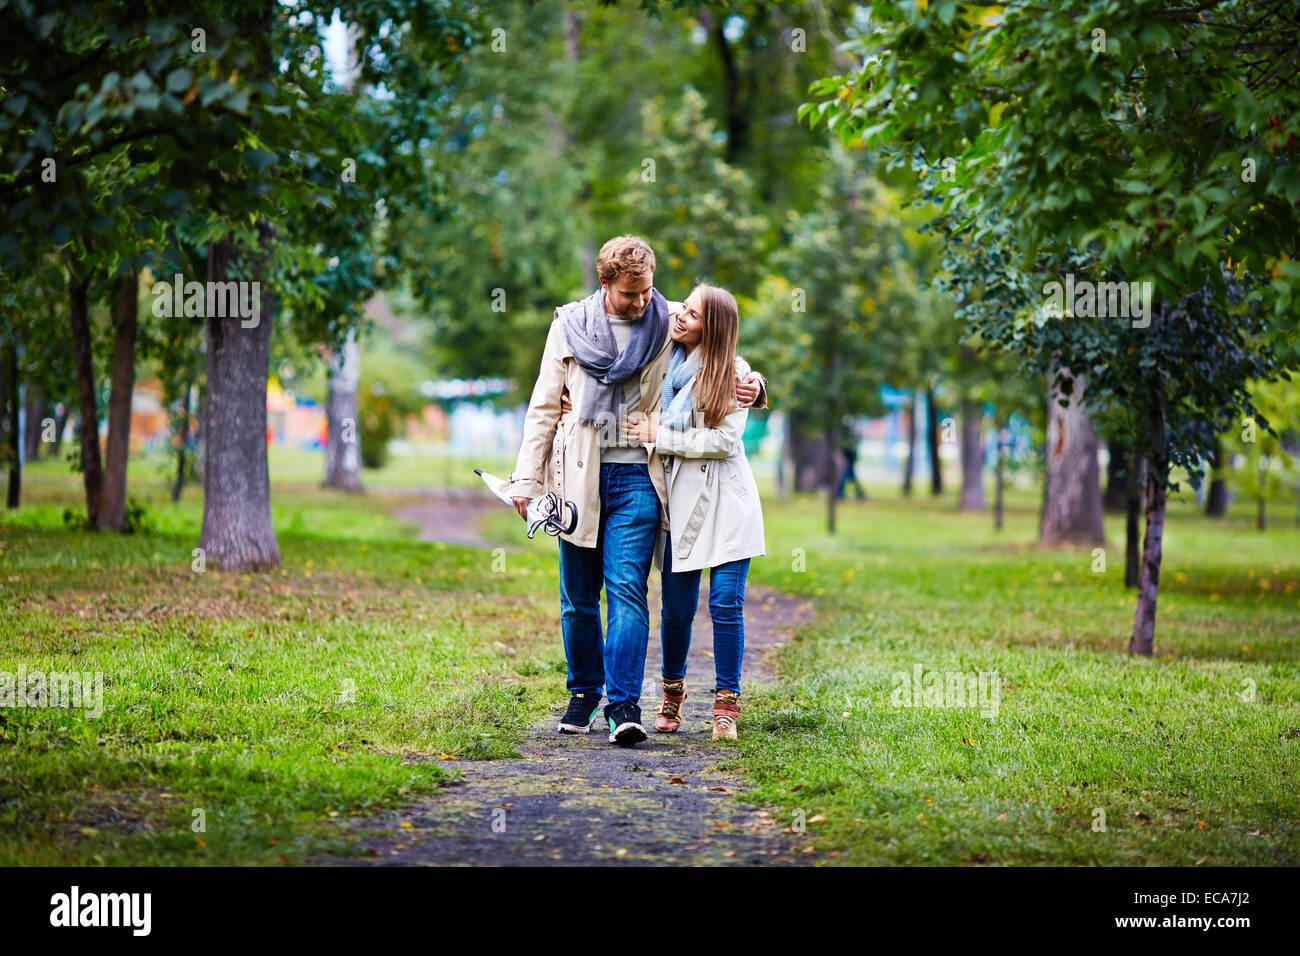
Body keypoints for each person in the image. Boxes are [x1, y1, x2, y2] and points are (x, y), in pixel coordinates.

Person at [505, 236, 765, 746]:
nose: (644, 302)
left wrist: (755, 382)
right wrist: (525, 480)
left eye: (648, 291)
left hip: (639, 476)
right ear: (606, 285)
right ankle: (584, 692)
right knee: (578, 597)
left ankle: (623, 707)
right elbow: (541, 407)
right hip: (578, 474)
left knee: (626, 590)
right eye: (632, 294)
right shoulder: (569, 327)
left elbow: (716, 352)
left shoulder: (665, 321)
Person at [622, 284, 766, 740]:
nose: (681, 316)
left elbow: (725, 443)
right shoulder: (665, 361)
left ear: (715, 329)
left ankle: (726, 705)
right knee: (677, 609)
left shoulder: (734, 374)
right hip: (679, 502)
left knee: (726, 603)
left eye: (695, 315)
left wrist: (659, 436)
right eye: (683, 306)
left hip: (728, 504)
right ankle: (672, 694)